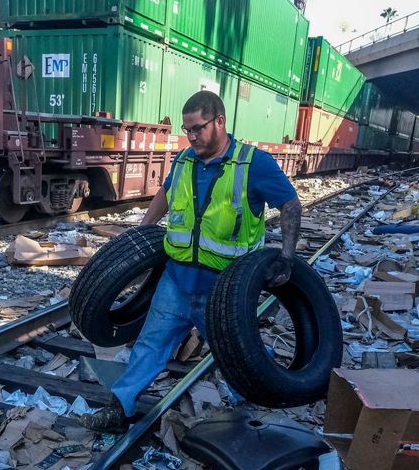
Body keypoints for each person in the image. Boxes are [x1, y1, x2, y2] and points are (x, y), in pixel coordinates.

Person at [80, 90, 303, 434]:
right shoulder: (184, 160)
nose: (192, 137)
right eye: (187, 130)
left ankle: (261, 401)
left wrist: (286, 259)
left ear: (220, 121)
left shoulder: (253, 164)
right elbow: (165, 195)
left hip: (223, 289)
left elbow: (290, 204)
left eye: (198, 128)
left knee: (238, 357)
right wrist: (138, 240)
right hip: (177, 280)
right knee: (149, 347)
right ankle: (119, 407)